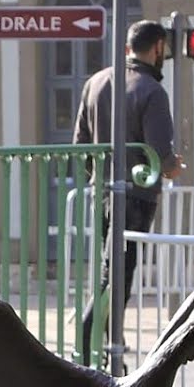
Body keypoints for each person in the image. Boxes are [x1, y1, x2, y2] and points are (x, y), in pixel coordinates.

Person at [73, 20, 184, 354]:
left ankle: (107, 347)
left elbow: (80, 145)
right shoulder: (152, 91)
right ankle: (92, 341)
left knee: (108, 270)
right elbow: (159, 155)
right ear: (158, 47)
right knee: (118, 275)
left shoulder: (95, 82)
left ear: (126, 49)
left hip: (100, 191)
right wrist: (172, 167)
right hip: (135, 197)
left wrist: (98, 177)